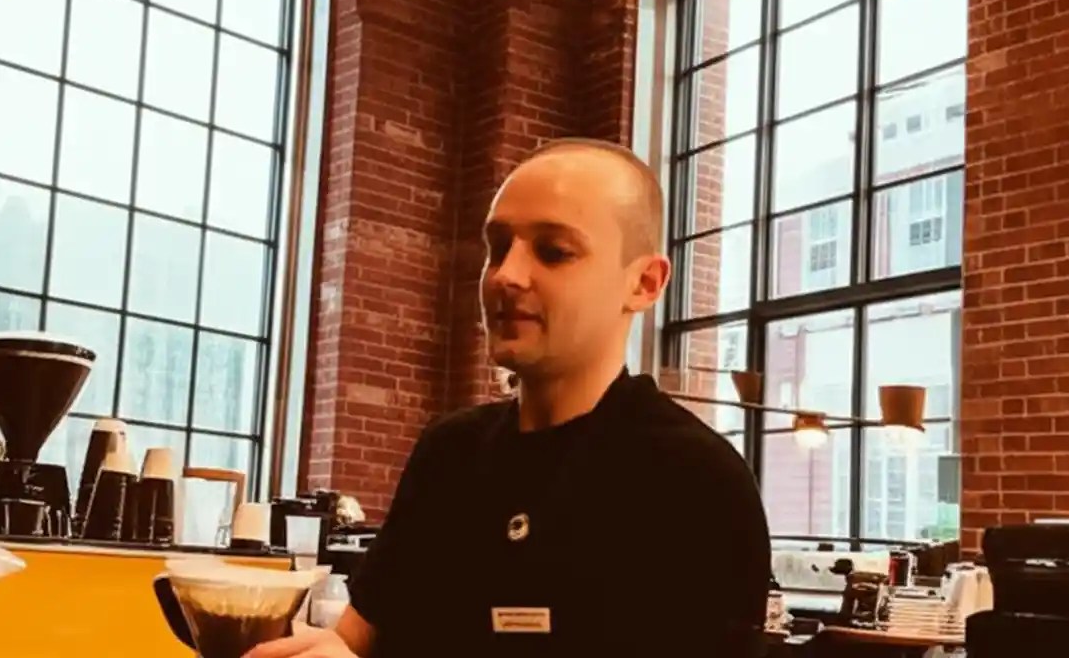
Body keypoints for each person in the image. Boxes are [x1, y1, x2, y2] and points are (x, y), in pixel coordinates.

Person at [246, 138, 773, 658]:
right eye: (498, 248)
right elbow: (356, 641)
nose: (505, 275)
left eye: (554, 251)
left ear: (644, 283)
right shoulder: (448, 454)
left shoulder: (696, 481)